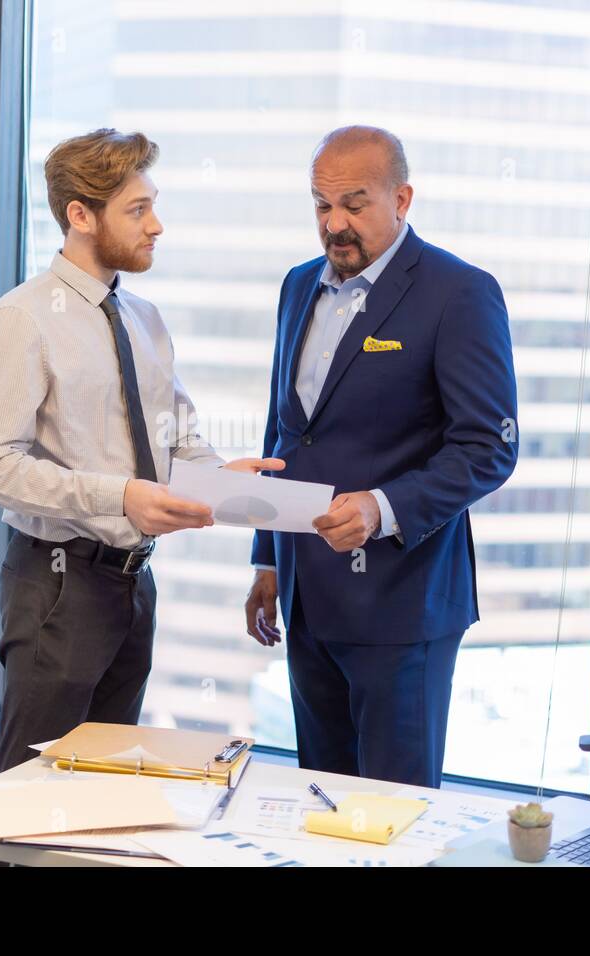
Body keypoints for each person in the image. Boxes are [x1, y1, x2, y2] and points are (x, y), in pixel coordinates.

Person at [0, 128, 281, 783]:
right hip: (56, 588)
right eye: (137, 210)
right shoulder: (21, 320)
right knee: (25, 804)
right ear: (80, 216)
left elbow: (176, 434)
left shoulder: (145, 318)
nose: (156, 225)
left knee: (102, 798)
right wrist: (120, 496)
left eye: (153, 205)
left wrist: (221, 477)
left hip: (134, 586)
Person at [245, 125, 519, 788]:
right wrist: (266, 558)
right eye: (320, 204)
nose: (334, 224)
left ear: (402, 199)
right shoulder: (296, 285)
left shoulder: (459, 292)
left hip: (402, 606)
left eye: (354, 204)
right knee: (325, 803)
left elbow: (489, 446)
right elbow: (287, 432)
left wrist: (381, 507)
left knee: (394, 816)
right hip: (307, 596)